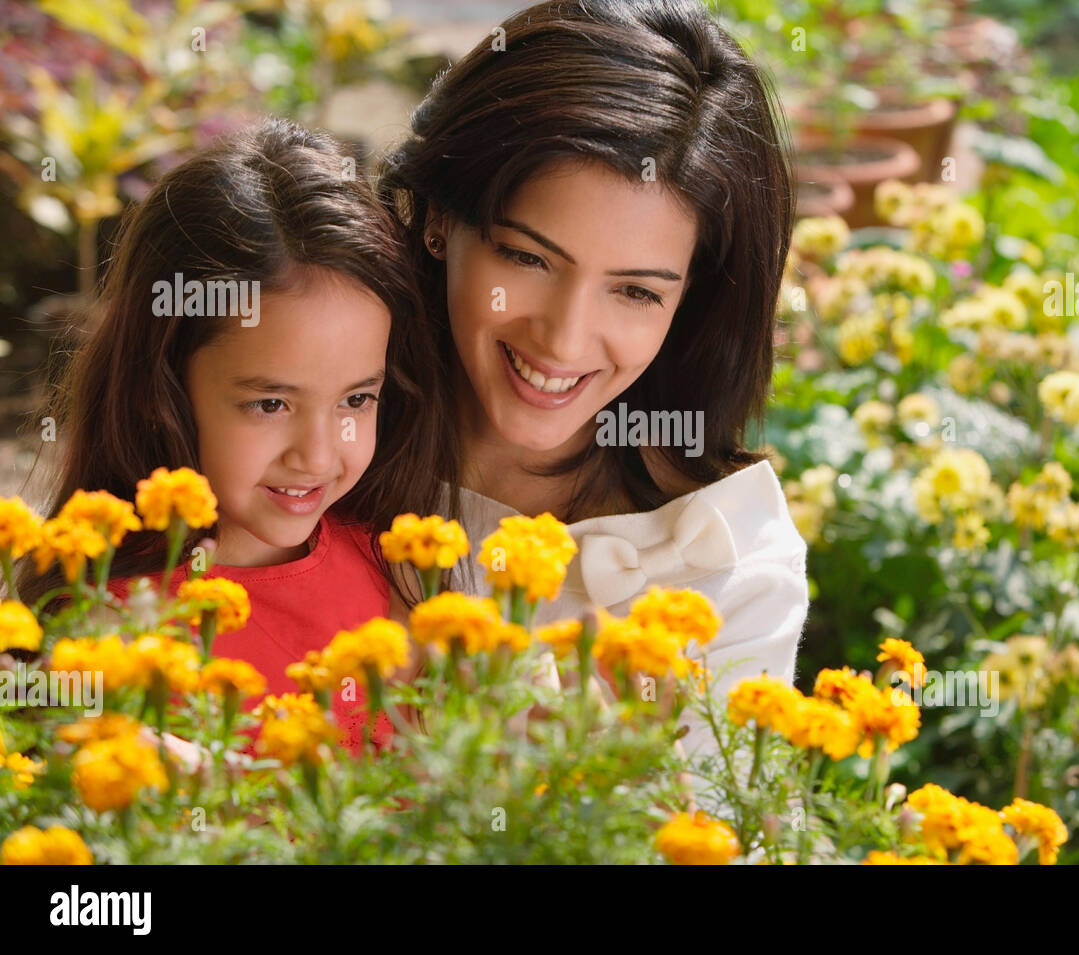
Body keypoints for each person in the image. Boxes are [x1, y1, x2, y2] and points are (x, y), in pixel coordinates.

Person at [379, 0, 809, 757]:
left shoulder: (722, 559)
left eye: (636, 291)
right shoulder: (320, 435)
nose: (564, 339)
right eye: (527, 258)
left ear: (690, 303)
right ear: (442, 216)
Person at [16, 118, 456, 755]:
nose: (318, 454)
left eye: (357, 399)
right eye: (271, 403)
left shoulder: (397, 571)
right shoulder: (102, 635)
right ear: (161, 389)